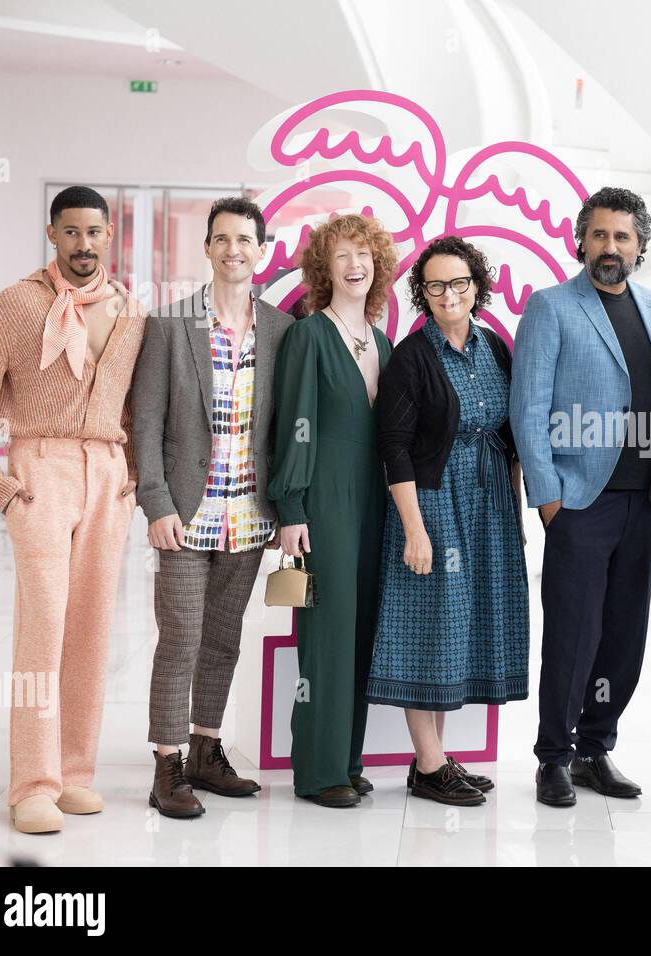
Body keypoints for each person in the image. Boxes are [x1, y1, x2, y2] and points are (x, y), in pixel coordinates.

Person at [0, 186, 145, 834]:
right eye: (71, 232)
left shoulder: (131, 312)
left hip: (107, 476)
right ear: (51, 233)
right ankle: (31, 785)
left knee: (92, 629)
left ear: (108, 236)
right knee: (44, 625)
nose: (83, 245)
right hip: (41, 470)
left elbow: (134, 408)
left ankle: (73, 774)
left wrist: (135, 475)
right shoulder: (15, 304)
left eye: (94, 233)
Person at [510, 186, 651, 807]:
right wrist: (550, 499)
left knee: (625, 635)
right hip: (581, 500)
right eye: (599, 235)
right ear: (581, 240)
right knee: (573, 634)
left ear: (639, 247)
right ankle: (554, 756)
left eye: (622, 237)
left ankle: (595, 749)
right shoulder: (551, 307)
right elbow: (527, 408)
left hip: (643, 500)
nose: (610, 247)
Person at [134, 196, 293, 818]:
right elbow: (145, 424)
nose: (233, 250)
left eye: (244, 240)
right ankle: (167, 763)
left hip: (250, 515)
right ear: (206, 247)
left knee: (224, 640)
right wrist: (155, 503)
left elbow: (286, 428)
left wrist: (288, 508)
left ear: (262, 250)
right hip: (184, 513)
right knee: (180, 636)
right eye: (221, 239)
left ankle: (206, 748)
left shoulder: (283, 330)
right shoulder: (169, 325)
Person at [370, 235, 529, 806]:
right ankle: (429, 763)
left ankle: (432, 759)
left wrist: (512, 508)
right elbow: (394, 446)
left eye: (458, 282)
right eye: (435, 285)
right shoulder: (413, 357)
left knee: (459, 630)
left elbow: (509, 438)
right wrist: (414, 527)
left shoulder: (494, 347)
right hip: (434, 500)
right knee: (431, 624)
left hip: (488, 504)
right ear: (423, 293)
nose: (447, 294)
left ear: (477, 287)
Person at [269, 213, 394, 808]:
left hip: (376, 499)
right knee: (328, 630)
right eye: (342, 256)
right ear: (324, 268)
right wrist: (291, 506)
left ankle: (348, 757)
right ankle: (318, 771)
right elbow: (295, 426)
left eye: (364, 255)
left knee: (364, 625)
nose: (354, 266)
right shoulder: (308, 335)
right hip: (325, 497)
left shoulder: (383, 341)